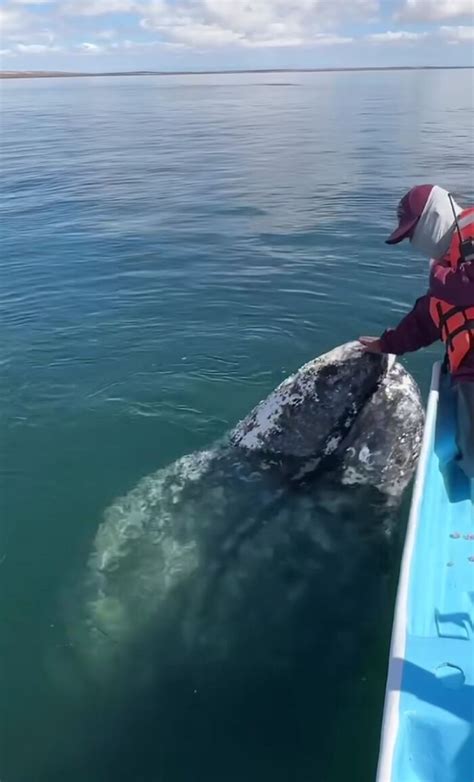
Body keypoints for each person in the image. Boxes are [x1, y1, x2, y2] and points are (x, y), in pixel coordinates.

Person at [358, 184, 474, 479]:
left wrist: (439, 276)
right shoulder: (445, 276)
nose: (414, 243)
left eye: (413, 233)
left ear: (433, 218)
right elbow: (424, 321)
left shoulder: (446, 273)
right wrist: (387, 343)